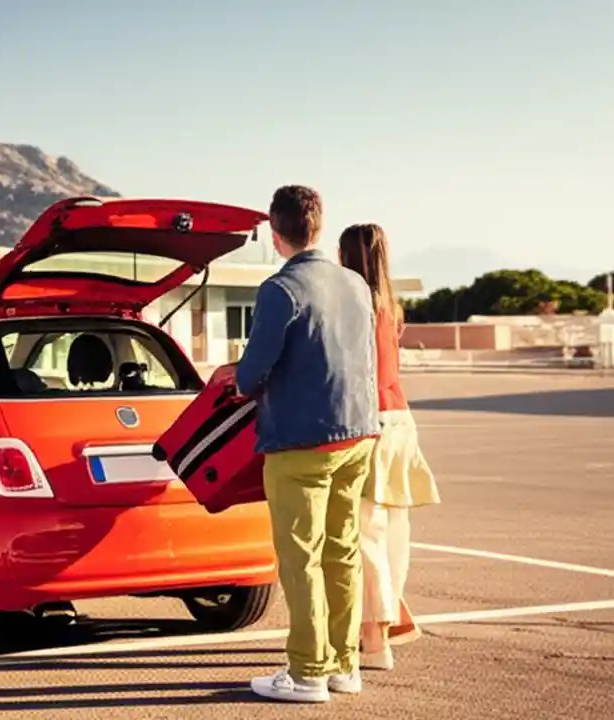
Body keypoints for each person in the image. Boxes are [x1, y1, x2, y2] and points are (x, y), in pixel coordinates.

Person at [234, 185, 381, 704]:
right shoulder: (356, 284)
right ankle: (344, 665)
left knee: (301, 557)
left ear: (276, 235)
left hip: (301, 442)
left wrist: (238, 376)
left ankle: (307, 672)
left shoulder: (281, 289)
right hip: (359, 434)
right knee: (342, 551)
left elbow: (250, 375)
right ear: (318, 226)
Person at [337, 223, 441, 671]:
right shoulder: (392, 306)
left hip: (372, 420)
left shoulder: (353, 304)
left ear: (346, 256)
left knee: (365, 534)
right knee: (394, 531)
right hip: (401, 420)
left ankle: (375, 640)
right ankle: (388, 623)